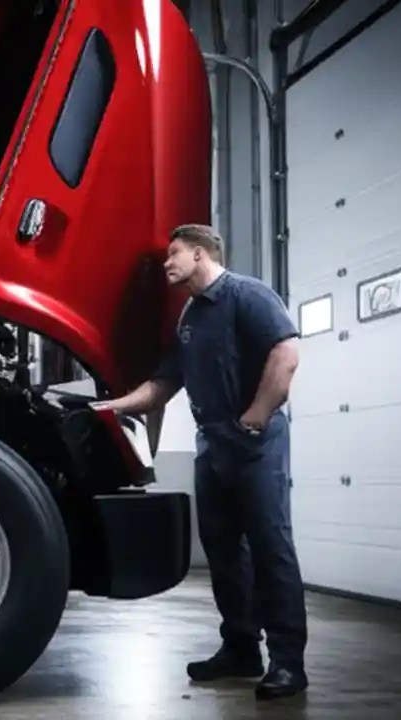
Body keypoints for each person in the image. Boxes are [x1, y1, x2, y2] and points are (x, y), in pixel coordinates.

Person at [100, 223, 309, 700]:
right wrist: (110, 408)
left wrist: (257, 416)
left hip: (255, 444)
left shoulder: (247, 295)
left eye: (173, 254)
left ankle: (288, 663)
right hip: (212, 445)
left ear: (199, 254)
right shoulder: (190, 316)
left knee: (271, 547)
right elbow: (163, 385)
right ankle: (241, 649)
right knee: (223, 552)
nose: (167, 263)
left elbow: (286, 354)